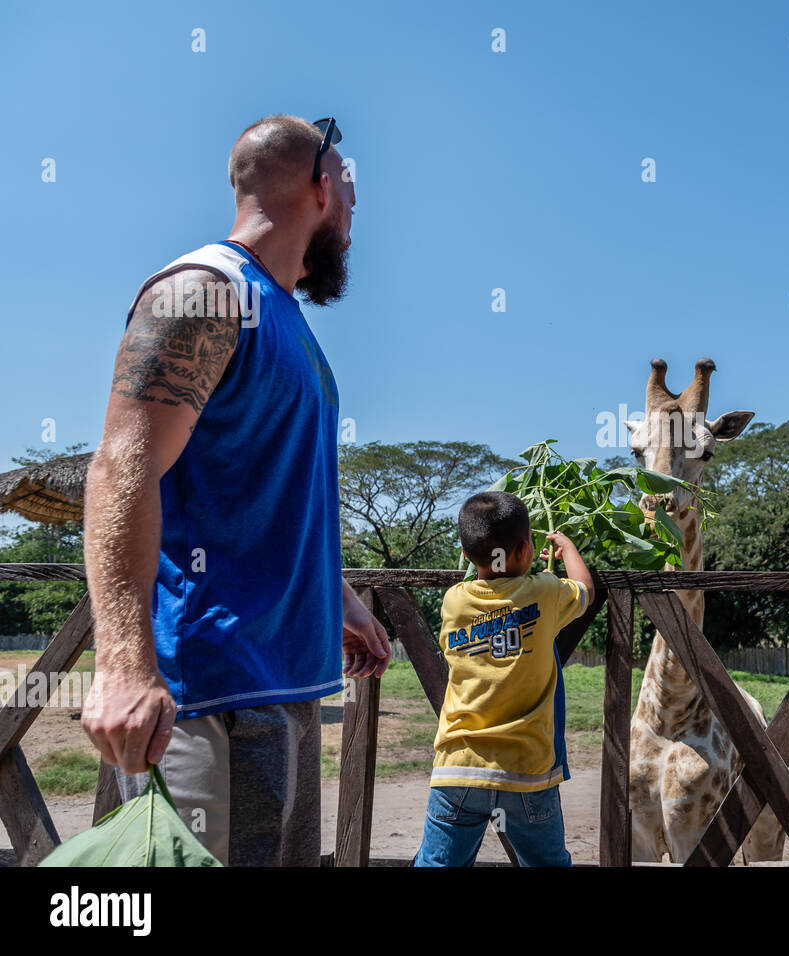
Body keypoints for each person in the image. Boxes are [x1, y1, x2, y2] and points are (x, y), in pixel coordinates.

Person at [80, 114, 391, 866]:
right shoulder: (205, 292)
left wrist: (334, 594)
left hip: (283, 682)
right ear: (321, 188)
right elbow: (122, 469)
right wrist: (123, 664)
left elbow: (256, 488)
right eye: (351, 195)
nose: (354, 219)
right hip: (207, 691)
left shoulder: (282, 314)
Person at [415, 492, 593, 867]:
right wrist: (567, 548)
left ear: (465, 554)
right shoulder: (545, 592)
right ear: (527, 548)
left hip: (457, 770)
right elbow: (585, 592)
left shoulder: (453, 602)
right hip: (527, 773)